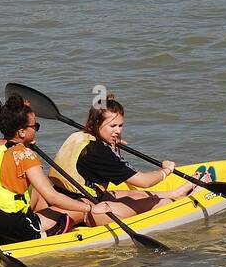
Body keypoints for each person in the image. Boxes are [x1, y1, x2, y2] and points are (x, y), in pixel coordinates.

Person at [49, 93, 211, 226]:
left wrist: (111, 146)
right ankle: (185, 199)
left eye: (120, 126)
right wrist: (166, 171)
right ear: (96, 124)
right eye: (113, 126)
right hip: (89, 210)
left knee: (130, 194)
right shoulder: (98, 152)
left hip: (78, 199)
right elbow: (143, 181)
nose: (118, 131)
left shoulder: (79, 135)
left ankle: (177, 192)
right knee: (159, 203)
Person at [0, 95, 112, 242]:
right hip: (16, 227)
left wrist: (24, 114)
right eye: (35, 126)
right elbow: (53, 196)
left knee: (38, 190)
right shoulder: (24, 154)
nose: (37, 130)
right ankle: (50, 233)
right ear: (21, 132)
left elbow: (11, 160)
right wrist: (90, 208)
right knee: (80, 209)